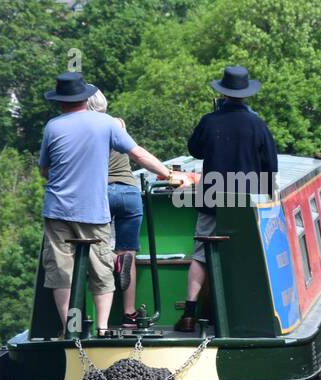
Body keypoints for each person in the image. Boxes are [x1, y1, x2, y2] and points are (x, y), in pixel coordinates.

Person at [38, 72, 186, 335]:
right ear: (84, 98)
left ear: (60, 102)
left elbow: (45, 171)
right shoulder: (107, 124)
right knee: (102, 268)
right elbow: (138, 153)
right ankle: (104, 329)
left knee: (62, 272)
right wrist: (168, 175)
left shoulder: (52, 126)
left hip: (57, 210)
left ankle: (69, 329)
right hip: (93, 211)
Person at [175, 66, 279, 333]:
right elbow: (270, 164)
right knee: (245, 253)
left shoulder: (210, 121)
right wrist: (269, 197)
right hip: (245, 200)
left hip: (213, 196)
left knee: (200, 255)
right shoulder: (257, 124)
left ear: (222, 92)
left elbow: (195, 150)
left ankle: (189, 313)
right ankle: (245, 314)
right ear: (246, 94)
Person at [87, 90, 143, 329]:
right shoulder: (117, 123)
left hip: (103, 193)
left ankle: (97, 318)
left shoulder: (87, 130)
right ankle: (129, 314)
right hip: (130, 192)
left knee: (97, 250)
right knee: (129, 251)